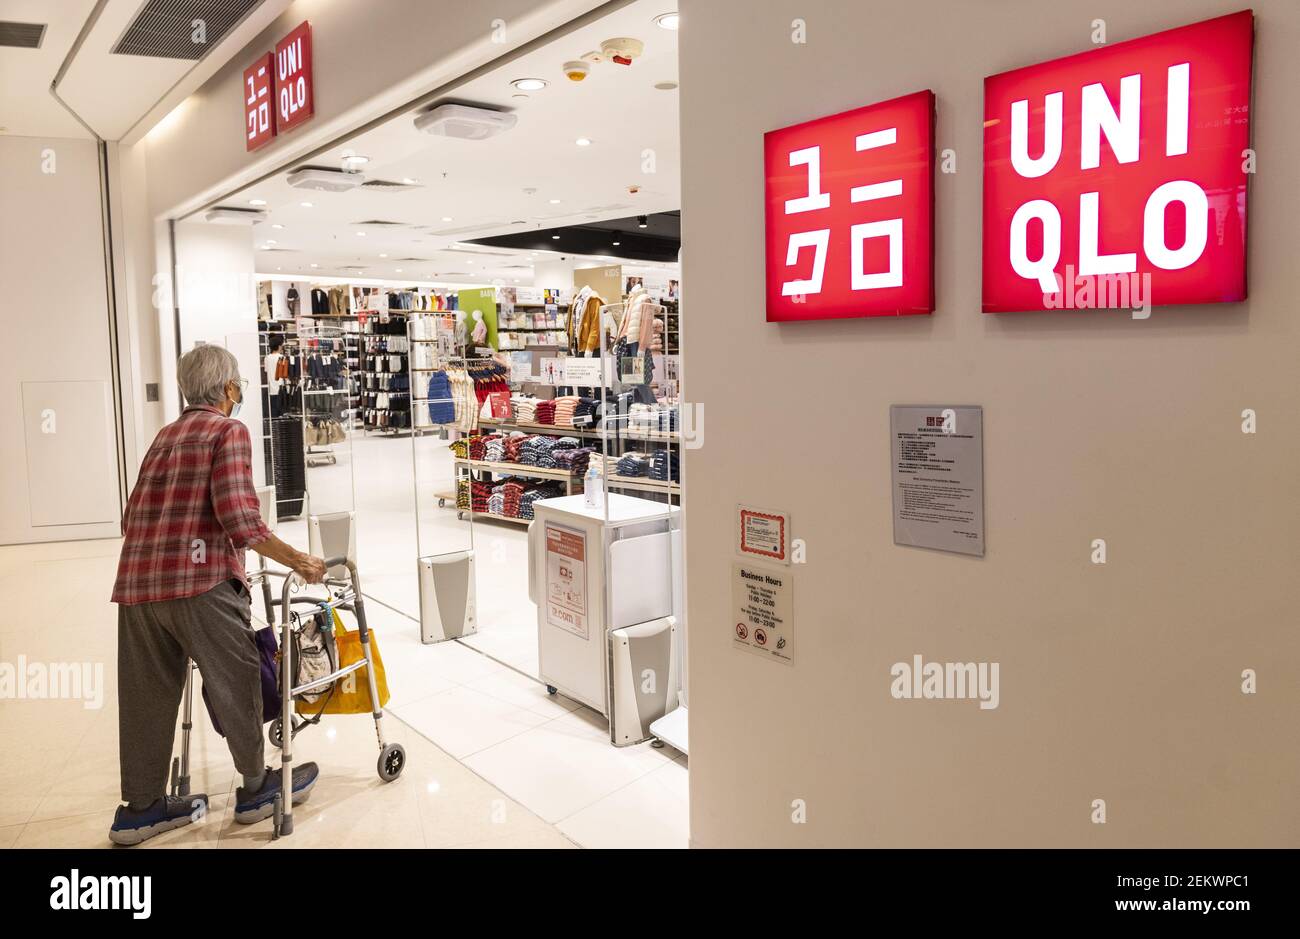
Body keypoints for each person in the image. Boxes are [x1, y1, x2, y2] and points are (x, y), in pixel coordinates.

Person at [108, 344, 328, 845]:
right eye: (239, 386)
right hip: (202, 584)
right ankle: (255, 788)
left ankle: (140, 810)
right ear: (228, 389)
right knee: (237, 681)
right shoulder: (228, 431)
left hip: (137, 588)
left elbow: (130, 520)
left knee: (146, 699)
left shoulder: (163, 437)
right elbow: (239, 517)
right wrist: (300, 560)